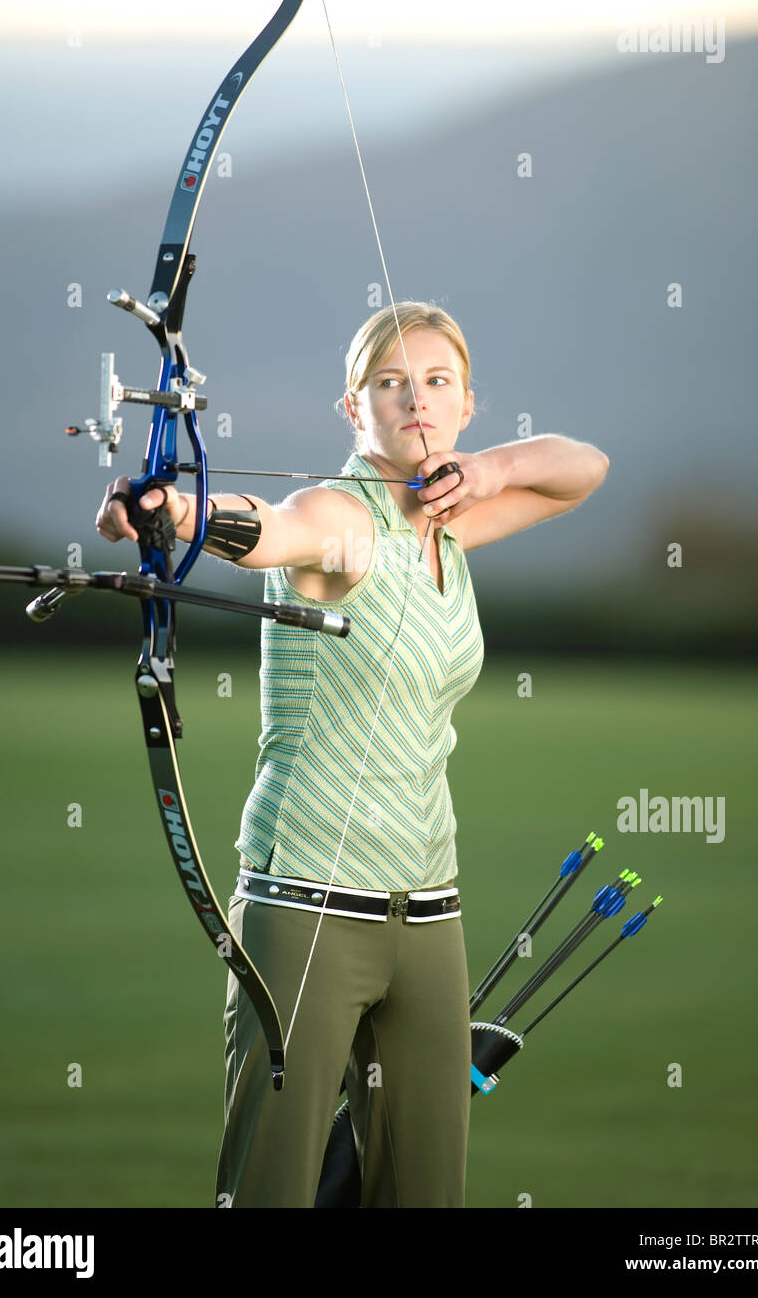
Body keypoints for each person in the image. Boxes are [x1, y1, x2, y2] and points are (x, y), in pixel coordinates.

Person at [96, 300, 609, 1207]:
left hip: (429, 917)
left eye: (437, 383)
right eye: (390, 383)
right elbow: (274, 528)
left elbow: (584, 468)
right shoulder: (345, 518)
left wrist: (484, 473)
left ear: (466, 403)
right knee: (274, 1186)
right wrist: (175, 511)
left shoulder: (450, 523)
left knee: (426, 1192)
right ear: (352, 407)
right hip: (307, 910)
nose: (416, 401)